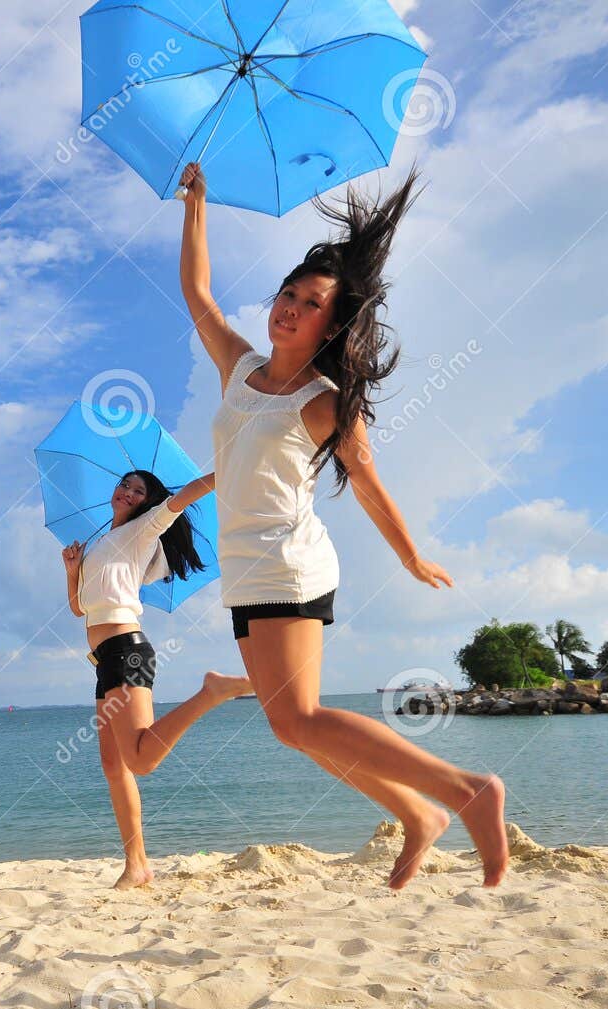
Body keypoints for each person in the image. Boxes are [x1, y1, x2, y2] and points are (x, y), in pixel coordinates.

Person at [177, 161, 509, 889]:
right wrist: (197, 202)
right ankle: (417, 816)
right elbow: (197, 294)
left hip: (288, 566)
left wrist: (411, 555)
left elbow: (367, 482)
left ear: (335, 322)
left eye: (311, 302)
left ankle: (465, 789)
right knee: (293, 724)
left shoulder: (322, 399)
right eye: (287, 294)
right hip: (246, 569)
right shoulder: (241, 368)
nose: (290, 308)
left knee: (299, 720)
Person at [63, 469, 252, 890]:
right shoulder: (99, 546)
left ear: (147, 502)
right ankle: (137, 864)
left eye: (138, 490)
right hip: (104, 659)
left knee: (141, 761)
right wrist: (73, 569)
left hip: (126, 651)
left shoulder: (141, 532)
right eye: (124, 485)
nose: (128, 492)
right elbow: (80, 609)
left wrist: (232, 462)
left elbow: (185, 497)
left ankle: (211, 692)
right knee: (114, 766)